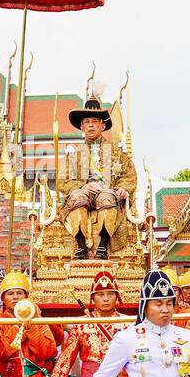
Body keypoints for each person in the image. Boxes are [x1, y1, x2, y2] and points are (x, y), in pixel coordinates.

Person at [56, 93, 137, 260]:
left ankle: (102, 246)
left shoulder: (116, 152)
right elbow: (62, 181)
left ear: (102, 126)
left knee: (107, 196)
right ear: (82, 127)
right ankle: (80, 246)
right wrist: (82, 186)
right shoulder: (74, 154)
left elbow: (129, 176)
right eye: (87, 122)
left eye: (94, 122)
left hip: (107, 193)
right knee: (77, 196)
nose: (90, 125)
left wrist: (123, 188)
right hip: (83, 193)